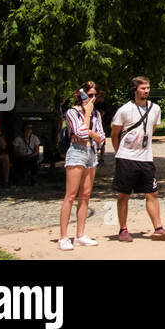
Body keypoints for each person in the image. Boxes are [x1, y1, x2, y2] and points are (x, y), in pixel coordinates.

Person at [110, 75, 165, 241]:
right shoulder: (124, 110)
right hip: (126, 158)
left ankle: (158, 228)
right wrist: (120, 154)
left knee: (152, 193)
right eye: (143, 88)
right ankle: (123, 230)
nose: (146, 91)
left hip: (146, 158)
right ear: (135, 90)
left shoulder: (155, 109)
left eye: (148, 88)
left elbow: (151, 129)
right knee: (124, 195)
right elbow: (115, 135)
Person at [58, 81, 105, 250]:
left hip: (91, 154)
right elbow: (80, 133)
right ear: (81, 96)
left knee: (85, 195)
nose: (92, 99)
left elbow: (101, 138)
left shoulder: (97, 115)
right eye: (89, 95)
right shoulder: (72, 112)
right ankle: (63, 237)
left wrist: (91, 133)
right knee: (70, 195)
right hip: (77, 152)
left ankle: (80, 234)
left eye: (94, 95)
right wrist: (87, 116)